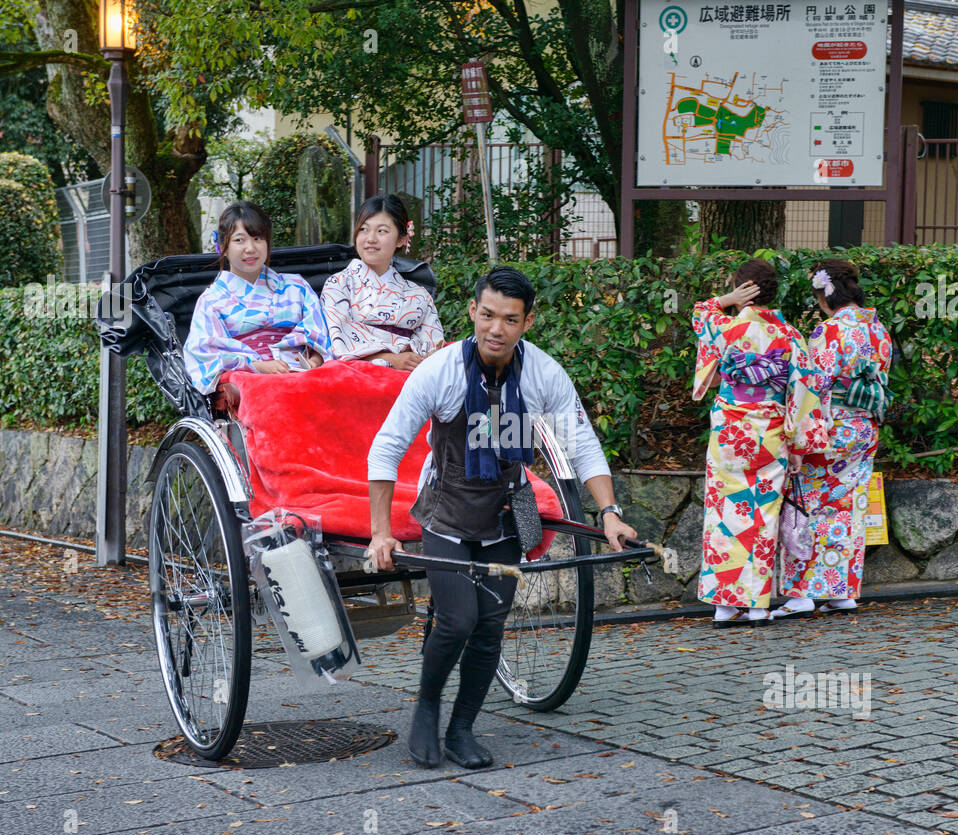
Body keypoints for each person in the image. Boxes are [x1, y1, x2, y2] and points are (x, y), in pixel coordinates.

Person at [367, 266, 636, 769]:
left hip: (506, 510)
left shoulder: (543, 374)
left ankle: (462, 729)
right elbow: (387, 448)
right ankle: (427, 708)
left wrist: (610, 512)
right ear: (472, 311)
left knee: (490, 626)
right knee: (458, 619)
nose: (496, 329)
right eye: (487, 315)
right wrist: (381, 532)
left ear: (526, 322)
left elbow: (582, 445)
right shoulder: (440, 371)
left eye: (509, 320)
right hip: (446, 509)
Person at [692, 259, 828, 627]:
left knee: (723, 514)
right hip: (771, 433)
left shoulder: (727, 327)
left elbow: (701, 312)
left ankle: (724, 605)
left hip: (730, 432)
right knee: (763, 515)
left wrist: (727, 298)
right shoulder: (789, 334)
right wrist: (799, 447)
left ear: (742, 290)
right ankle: (755, 605)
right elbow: (804, 392)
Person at [775, 258, 894, 620]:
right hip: (864, 427)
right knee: (849, 507)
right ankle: (840, 591)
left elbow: (814, 390)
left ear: (825, 296)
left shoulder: (827, 332)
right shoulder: (879, 331)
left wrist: (797, 439)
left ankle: (801, 595)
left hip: (832, 428)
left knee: (807, 505)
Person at [183, 201, 331, 396]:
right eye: (239, 240)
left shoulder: (296, 287)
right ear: (223, 247)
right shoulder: (212, 300)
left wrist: (314, 361)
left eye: (257, 238)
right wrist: (257, 366)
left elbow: (320, 334)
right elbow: (205, 353)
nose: (250, 248)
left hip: (304, 374)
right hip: (250, 384)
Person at [322, 194, 444, 371]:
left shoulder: (418, 294)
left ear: (401, 239)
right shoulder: (338, 284)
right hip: (357, 373)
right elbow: (337, 341)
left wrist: (420, 359)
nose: (370, 238)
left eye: (382, 231)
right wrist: (390, 358)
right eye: (364, 229)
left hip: (412, 372)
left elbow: (435, 345)